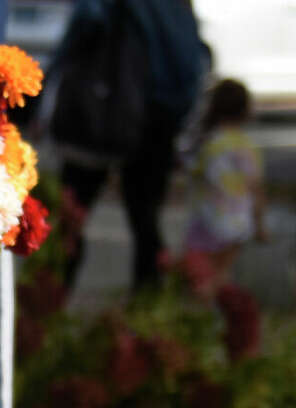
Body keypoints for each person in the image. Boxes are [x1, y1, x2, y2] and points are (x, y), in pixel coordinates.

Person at [48, 0, 208, 292]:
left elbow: (80, 34)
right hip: (158, 122)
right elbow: (193, 66)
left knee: (72, 216)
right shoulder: (178, 8)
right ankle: (147, 307)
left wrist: (44, 90)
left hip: (103, 113)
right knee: (146, 220)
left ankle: (51, 298)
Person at [183, 78, 267, 279]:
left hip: (209, 221)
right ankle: (217, 303)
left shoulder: (207, 144)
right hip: (238, 224)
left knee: (202, 277)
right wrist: (260, 225)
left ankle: (205, 303)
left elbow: (191, 170)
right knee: (221, 276)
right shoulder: (247, 147)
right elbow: (256, 189)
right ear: (246, 111)